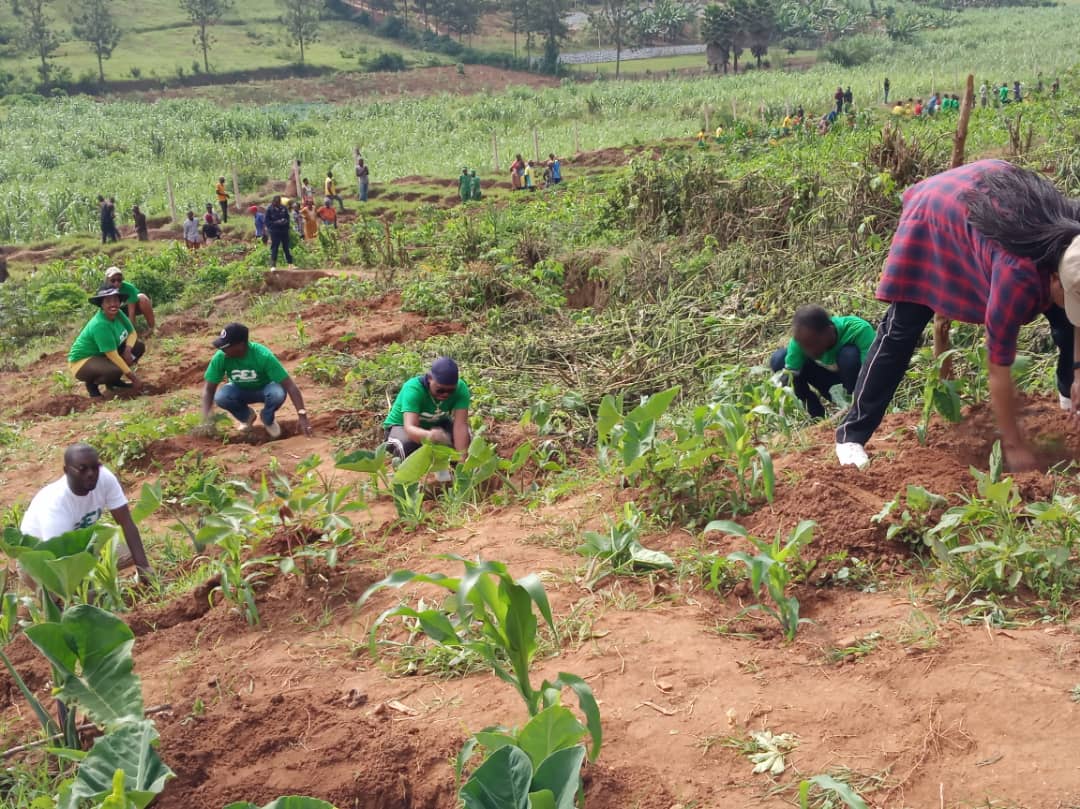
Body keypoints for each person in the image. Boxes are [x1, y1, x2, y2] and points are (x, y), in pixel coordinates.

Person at [835, 160, 1080, 471]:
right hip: (937, 214)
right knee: (901, 330)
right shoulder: (1016, 276)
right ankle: (851, 434)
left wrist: (1078, 371)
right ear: (1053, 278)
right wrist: (1014, 445)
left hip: (992, 196)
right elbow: (998, 367)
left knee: (1064, 318)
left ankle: (1069, 398)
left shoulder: (1074, 238)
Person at [20, 443, 151, 578]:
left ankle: (96, 577)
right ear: (66, 470)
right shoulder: (55, 504)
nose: (90, 474)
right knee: (79, 589)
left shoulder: (105, 479)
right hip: (40, 564)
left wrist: (144, 568)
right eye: (82, 469)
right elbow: (59, 560)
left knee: (128, 549)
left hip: (80, 548)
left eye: (95, 467)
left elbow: (126, 523)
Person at [200, 323, 311, 440]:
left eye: (226, 347)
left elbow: (290, 386)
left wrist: (302, 416)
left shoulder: (263, 355)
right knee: (222, 397)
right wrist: (205, 418)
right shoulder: (221, 357)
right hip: (239, 389)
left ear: (240, 345)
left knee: (277, 393)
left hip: (266, 388)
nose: (222, 350)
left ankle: (267, 419)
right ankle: (247, 417)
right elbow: (209, 389)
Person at [770, 306, 875, 419]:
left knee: (849, 355)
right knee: (779, 359)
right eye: (804, 346)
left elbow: (872, 371)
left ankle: (854, 408)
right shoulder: (800, 341)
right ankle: (816, 415)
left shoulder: (858, 330)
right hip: (830, 387)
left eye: (813, 343)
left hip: (857, 384)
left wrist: (861, 398)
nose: (808, 351)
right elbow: (790, 374)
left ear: (829, 331)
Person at [383, 357, 471, 471]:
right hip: (400, 427)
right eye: (440, 390)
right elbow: (410, 427)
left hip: (436, 424)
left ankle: (453, 473)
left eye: (451, 391)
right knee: (406, 446)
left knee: (465, 438)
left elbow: (460, 426)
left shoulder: (461, 389)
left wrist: (462, 461)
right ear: (429, 378)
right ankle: (407, 479)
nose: (445, 394)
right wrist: (429, 436)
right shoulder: (414, 389)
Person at [69, 285, 145, 398]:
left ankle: (114, 382)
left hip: (103, 355)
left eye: (116, 300)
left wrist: (128, 350)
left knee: (138, 347)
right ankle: (92, 384)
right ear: (101, 304)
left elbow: (132, 332)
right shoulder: (100, 324)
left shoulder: (118, 313)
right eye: (108, 301)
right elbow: (113, 355)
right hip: (83, 361)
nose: (113, 304)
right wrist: (134, 379)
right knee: (115, 370)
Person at [104, 266, 155, 336]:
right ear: (107, 281)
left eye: (119, 280)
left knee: (143, 298)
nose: (116, 283)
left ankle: (151, 328)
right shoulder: (104, 292)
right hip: (116, 312)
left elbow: (132, 312)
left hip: (128, 308)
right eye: (113, 280)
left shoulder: (128, 288)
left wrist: (132, 333)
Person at [265, 195, 294, 271]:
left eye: (279, 202)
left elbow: (288, 218)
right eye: (276, 202)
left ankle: (290, 264)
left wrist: (285, 222)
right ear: (273, 202)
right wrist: (276, 222)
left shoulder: (283, 208)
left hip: (284, 231)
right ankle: (273, 266)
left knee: (286, 248)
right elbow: (267, 222)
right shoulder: (269, 210)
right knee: (275, 248)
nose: (278, 203)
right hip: (275, 232)